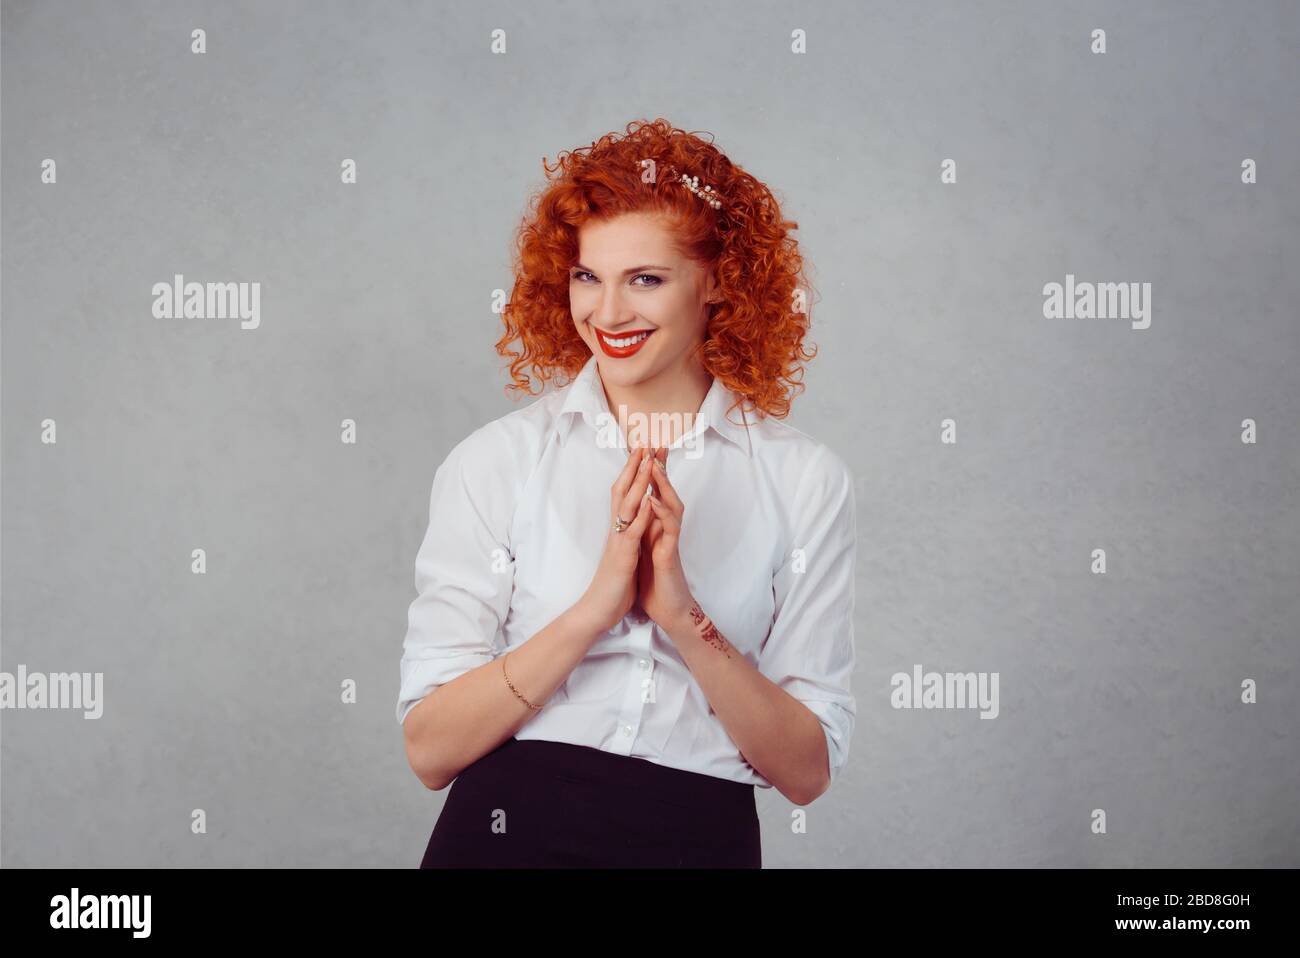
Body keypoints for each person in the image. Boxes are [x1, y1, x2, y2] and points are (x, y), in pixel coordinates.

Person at [398, 118, 857, 868]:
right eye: (588, 276)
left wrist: (682, 616)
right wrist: (594, 610)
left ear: (718, 281)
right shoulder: (497, 461)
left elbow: (806, 772)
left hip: (699, 842)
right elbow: (429, 750)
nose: (607, 313)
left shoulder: (804, 480)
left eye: (645, 279)